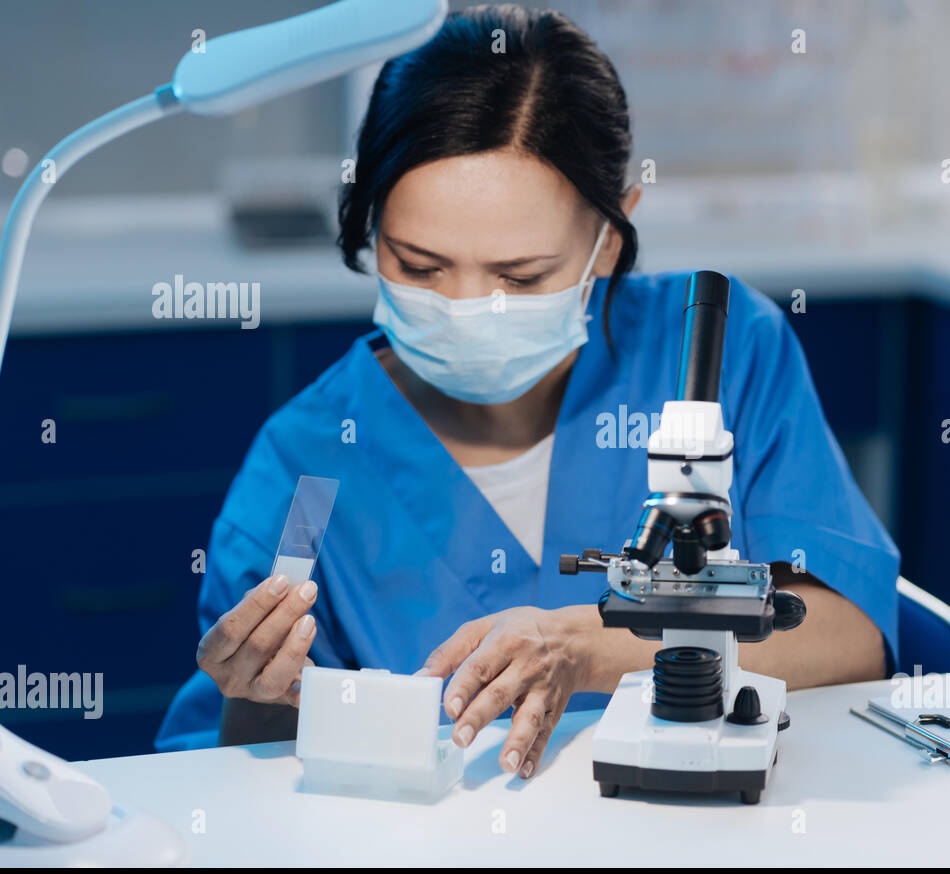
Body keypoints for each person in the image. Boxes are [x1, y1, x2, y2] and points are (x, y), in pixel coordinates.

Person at [156, 4, 899, 780]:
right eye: (419, 264)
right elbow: (237, 765)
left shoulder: (715, 350)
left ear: (610, 239)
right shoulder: (310, 463)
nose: (470, 309)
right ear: (369, 228)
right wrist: (259, 693)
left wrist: (589, 648)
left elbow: (852, 636)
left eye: (520, 277)